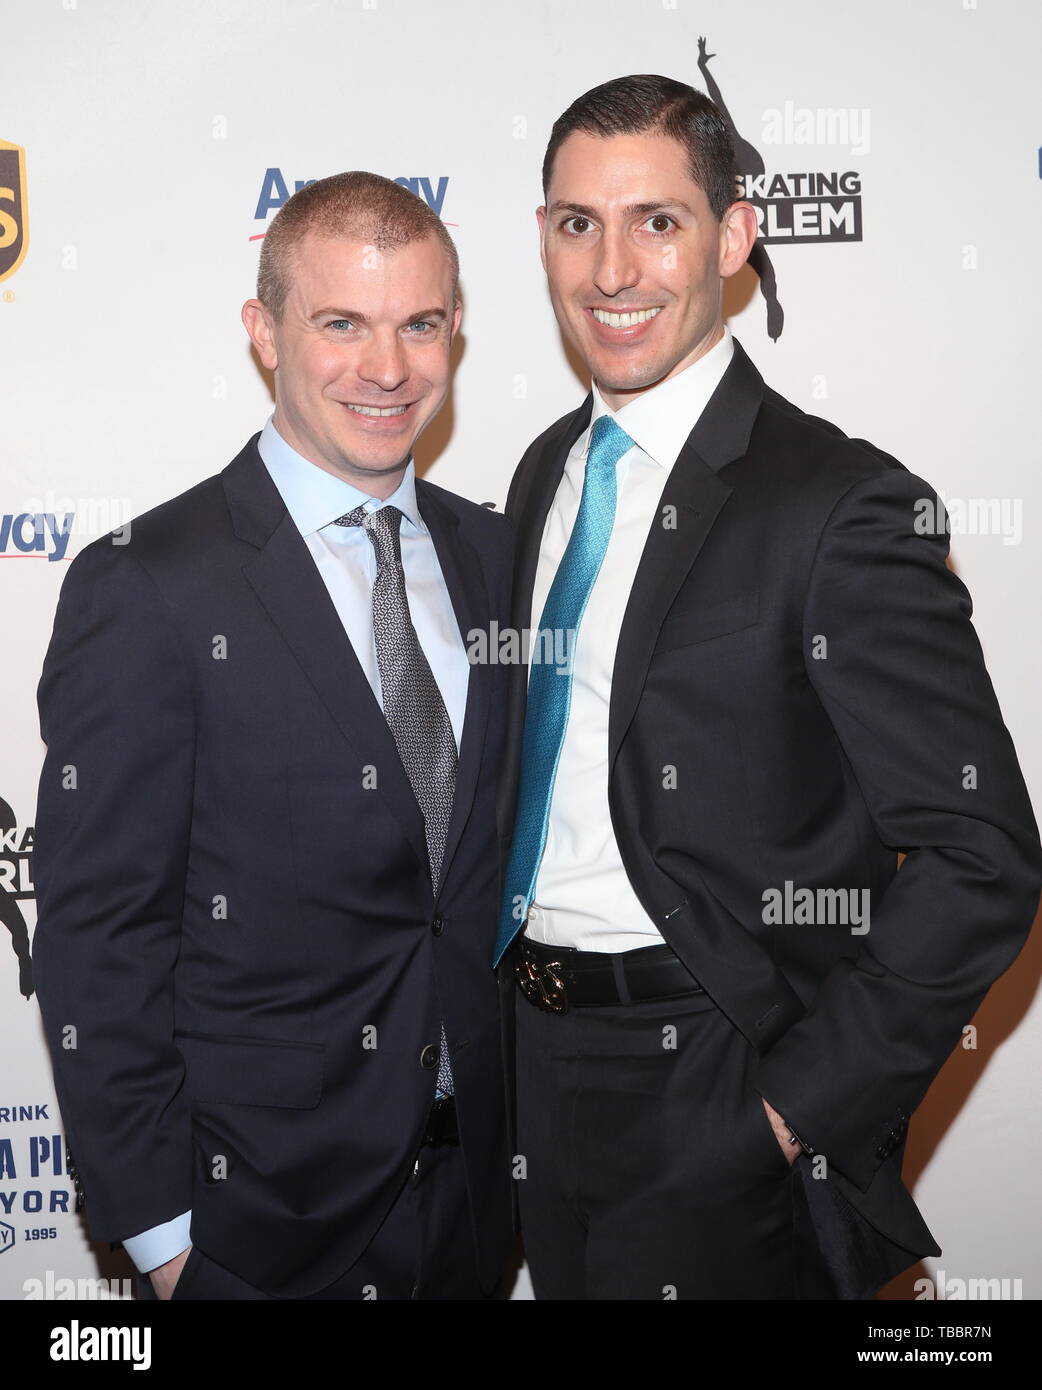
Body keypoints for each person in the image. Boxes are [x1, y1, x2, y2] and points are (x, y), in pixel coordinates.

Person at [495, 74, 1042, 1300]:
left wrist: (788, 1113)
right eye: (579, 224)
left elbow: (981, 856)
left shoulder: (838, 503)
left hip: (717, 1075)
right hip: (534, 1065)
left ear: (734, 236)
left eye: (658, 221)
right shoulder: (544, 474)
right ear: (543, 238)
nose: (612, 270)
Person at [32, 170, 514, 1301]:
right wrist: (167, 1247)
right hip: (255, 1227)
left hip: (481, 1209)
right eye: (341, 323)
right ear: (263, 331)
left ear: (456, 329)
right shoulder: (149, 584)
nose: (387, 368)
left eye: (419, 324)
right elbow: (100, 940)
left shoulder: (498, 560)